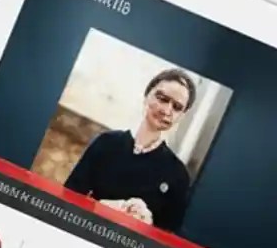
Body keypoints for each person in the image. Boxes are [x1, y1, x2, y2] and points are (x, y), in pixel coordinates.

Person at [64, 68, 195, 232]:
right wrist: (102, 207)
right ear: (147, 95)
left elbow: (167, 244)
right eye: (162, 99)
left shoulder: (179, 176)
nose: (166, 110)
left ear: (182, 116)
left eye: (176, 107)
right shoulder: (106, 143)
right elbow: (67, 197)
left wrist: (147, 224)